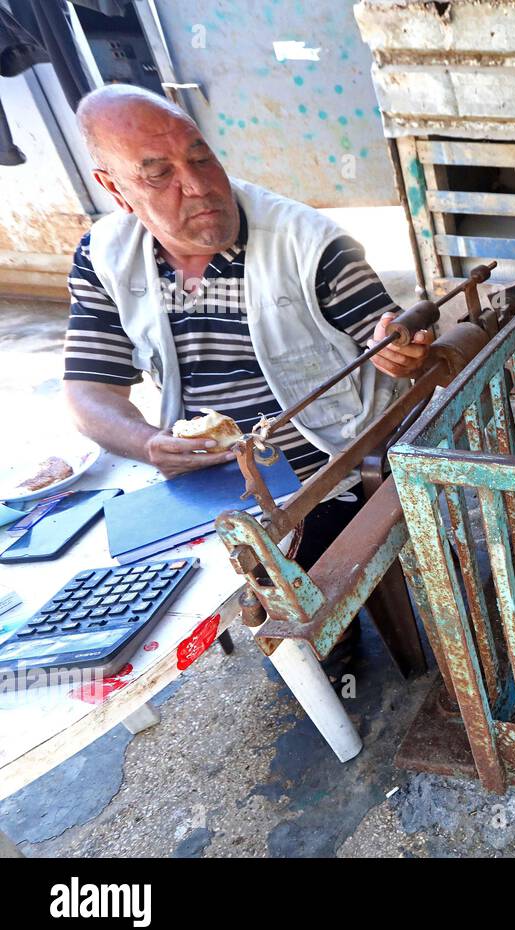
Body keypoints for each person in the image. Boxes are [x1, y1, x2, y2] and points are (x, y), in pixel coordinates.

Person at [61, 84, 432, 574]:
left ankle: (333, 644)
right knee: (118, 583)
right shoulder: (104, 256)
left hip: (327, 478)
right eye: (159, 174)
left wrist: (403, 351)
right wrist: (149, 444)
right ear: (114, 190)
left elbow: (393, 346)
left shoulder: (309, 243)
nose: (197, 186)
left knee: (287, 591)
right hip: (208, 487)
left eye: (201, 158)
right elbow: (89, 393)